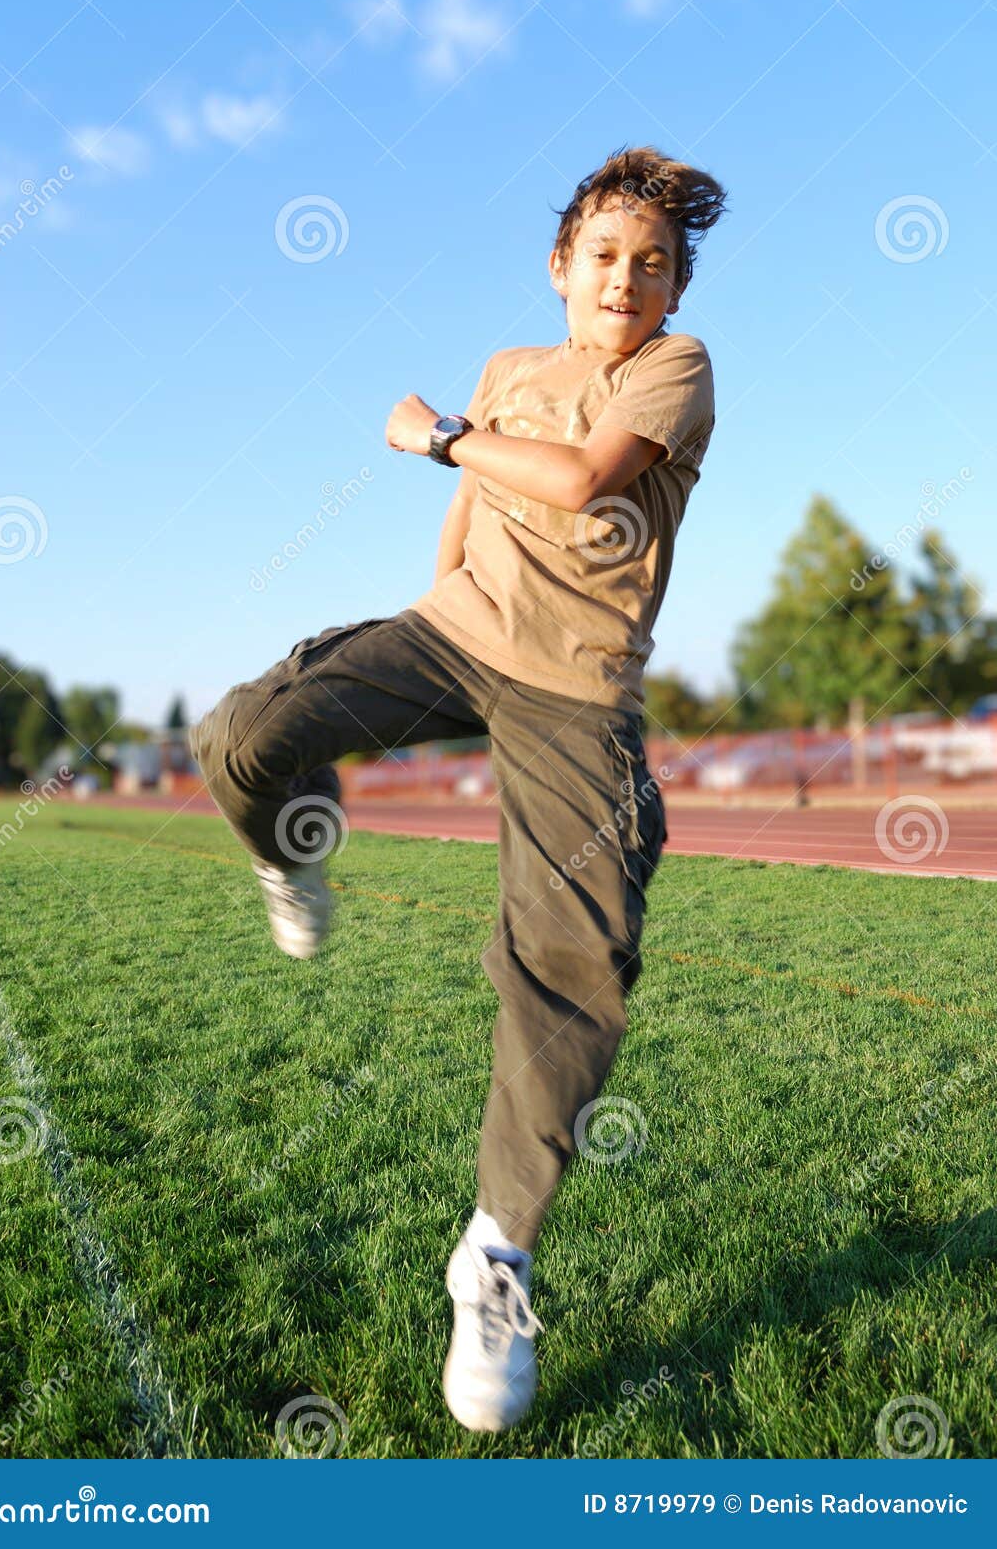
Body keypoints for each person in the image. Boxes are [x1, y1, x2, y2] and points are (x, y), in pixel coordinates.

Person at [189, 144, 728, 1434]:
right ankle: (292, 855)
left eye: (653, 263)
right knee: (244, 735)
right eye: (604, 255)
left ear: (674, 287)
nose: (627, 278)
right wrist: (431, 606)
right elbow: (476, 515)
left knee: (575, 957)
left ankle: (494, 1255)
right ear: (560, 266)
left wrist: (437, 433)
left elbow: (581, 479)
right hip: (454, 632)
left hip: (575, 688)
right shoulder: (508, 368)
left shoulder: (674, 367)